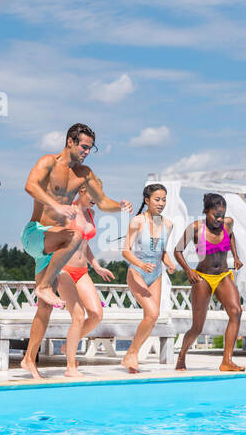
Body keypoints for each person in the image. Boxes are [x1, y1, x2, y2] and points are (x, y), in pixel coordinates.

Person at [21, 123, 130, 313]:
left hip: (54, 246)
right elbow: (30, 186)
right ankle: (44, 287)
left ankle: (33, 343)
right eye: (84, 147)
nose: (87, 152)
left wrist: (120, 207)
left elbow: (102, 202)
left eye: (90, 148)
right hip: (37, 234)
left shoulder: (84, 173)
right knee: (76, 235)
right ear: (70, 141)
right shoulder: (49, 162)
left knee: (45, 310)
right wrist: (57, 206)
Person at [174, 192, 246, 373]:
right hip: (202, 278)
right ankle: (182, 355)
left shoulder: (228, 224)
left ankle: (227, 360)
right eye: (216, 215)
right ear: (206, 211)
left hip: (222, 275)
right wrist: (188, 271)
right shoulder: (195, 228)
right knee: (197, 327)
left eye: (222, 215)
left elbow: (231, 237)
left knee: (236, 311)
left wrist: (236, 257)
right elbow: (177, 251)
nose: (220, 219)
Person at [55, 189, 116, 377]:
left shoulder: (91, 213)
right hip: (63, 270)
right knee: (78, 317)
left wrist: (96, 266)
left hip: (82, 271)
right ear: (82, 190)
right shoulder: (66, 212)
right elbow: (55, 241)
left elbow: (84, 243)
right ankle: (70, 367)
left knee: (97, 314)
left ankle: (68, 346)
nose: (96, 200)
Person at [120, 183, 177, 373]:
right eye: (157, 199)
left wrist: (169, 263)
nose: (161, 203)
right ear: (147, 200)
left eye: (164, 200)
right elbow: (125, 251)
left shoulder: (168, 224)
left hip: (156, 274)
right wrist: (141, 265)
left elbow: (162, 252)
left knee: (151, 317)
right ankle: (132, 353)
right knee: (153, 313)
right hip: (137, 272)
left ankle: (131, 355)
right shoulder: (138, 221)